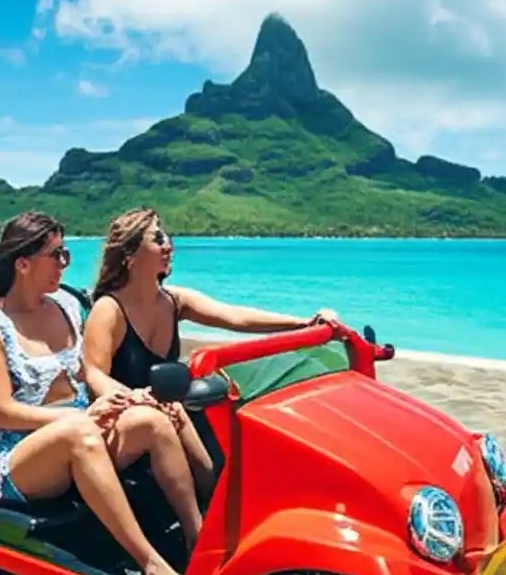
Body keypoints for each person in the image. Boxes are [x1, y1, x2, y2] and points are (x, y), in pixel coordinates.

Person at [0, 211, 201, 575]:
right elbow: (4, 411)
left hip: (81, 427)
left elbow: (89, 372)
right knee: (78, 430)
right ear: (22, 264)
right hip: (17, 451)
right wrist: (79, 415)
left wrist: (125, 399)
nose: (64, 263)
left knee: (152, 420)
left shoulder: (66, 306)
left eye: (66, 253)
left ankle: (198, 540)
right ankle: (152, 565)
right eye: (56, 255)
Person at [82, 208, 339, 498]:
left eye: (166, 236)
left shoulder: (174, 301)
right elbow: (93, 373)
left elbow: (235, 317)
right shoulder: (109, 310)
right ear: (130, 255)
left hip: (172, 411)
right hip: (127, 422)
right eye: (157, 238)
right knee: (208, 474)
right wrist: (134, 398)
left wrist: (303, 323)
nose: (168, 244)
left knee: (239, 458)